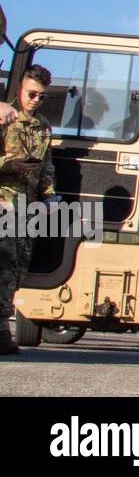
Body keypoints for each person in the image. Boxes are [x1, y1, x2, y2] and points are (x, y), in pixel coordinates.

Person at [0, 65, 56, 355]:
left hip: (27, 207)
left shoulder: (44, 128)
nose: (35, 100)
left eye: (42, 96)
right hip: (3, 201)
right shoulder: (3, 118)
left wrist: (49, 197)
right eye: (31, 94)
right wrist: (10, 165)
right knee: (4, 266)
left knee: (17, 270)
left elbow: (47, 167)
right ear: (19, 90)